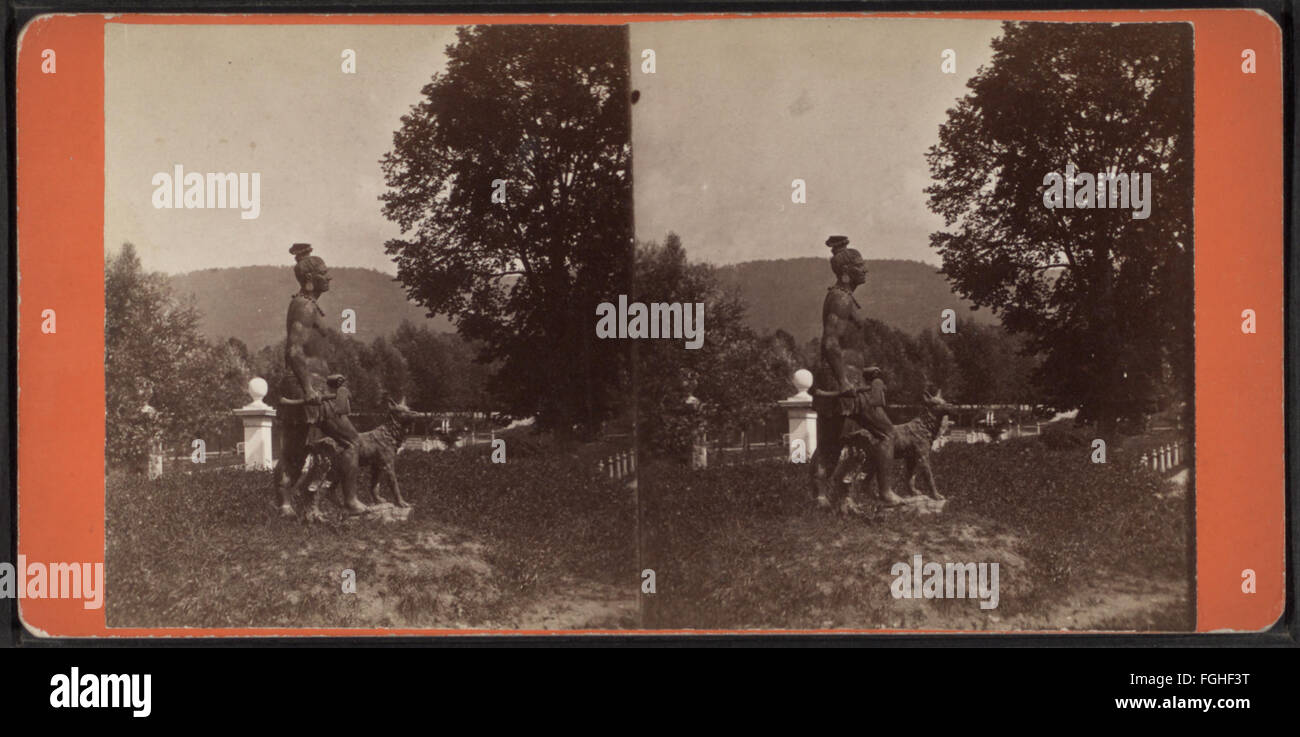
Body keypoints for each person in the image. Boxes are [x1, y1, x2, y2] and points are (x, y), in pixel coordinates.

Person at [272, 244, 367, 517]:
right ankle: (349, 501)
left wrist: (327, 376)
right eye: (325, 274)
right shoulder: (303, 306)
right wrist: (309, 387)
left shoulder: (307, 305)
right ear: (311, 280)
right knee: (350, 441)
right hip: (308, 387)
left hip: (313, 382)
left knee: (294, 451)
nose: (330, 278)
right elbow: (294, 350)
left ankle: (285, 507)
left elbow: (307, 351)